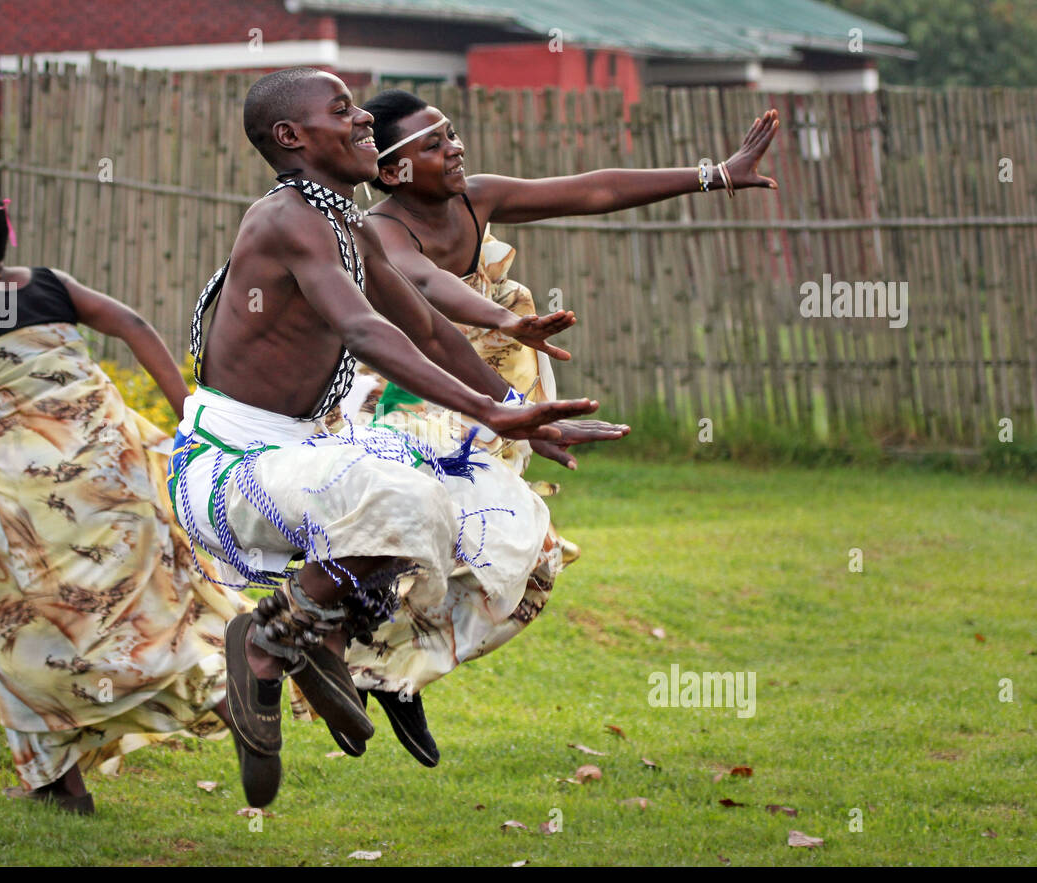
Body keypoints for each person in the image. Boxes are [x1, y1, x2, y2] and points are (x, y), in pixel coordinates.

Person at [166, 67, 624, 806]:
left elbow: (431, 328)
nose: (363, 123)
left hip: (313, 452)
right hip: (233, 464)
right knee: (406, 499)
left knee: (510, 528)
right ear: (291, 137)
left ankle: (322, 640)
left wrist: (515, 408)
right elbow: (363, 328)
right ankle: (275, 640)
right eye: (342, 111)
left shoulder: (343, 222)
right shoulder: (286, 218)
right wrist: (493, 409)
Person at [329, 91, 779, 764]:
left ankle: (398, 673)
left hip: (486, 404)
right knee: (412, 546)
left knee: (515, 563)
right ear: (391, 173)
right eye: (432, 144)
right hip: (402, 407)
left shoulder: (476, 198)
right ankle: (331, 654)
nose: (453, 148)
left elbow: (594, 190)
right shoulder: (383, 233)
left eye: (450, 135)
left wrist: (712, 175)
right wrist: (507, 326)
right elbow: (422, 284)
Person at [0, 184, 252, 814]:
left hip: (36, 483)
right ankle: (228, 698)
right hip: (114, 452)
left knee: (21, 627)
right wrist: (188, 417)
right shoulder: (50, 282)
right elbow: (136, 326)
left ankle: (66, 784)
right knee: (143, 604)